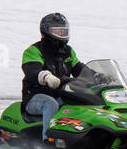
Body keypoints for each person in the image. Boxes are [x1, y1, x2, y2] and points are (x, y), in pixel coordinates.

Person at [22, 13, 86, 141]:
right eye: (58, 31)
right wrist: (46, 76)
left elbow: (80, 69)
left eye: (64, 31)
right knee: (50, 103)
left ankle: (79, 139)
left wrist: (98, 76)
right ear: (46, 31)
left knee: (81, 102)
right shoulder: (34, 50)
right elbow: (32, 70)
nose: (62, 34)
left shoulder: (68, 51)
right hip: (34, 97)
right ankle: (49, 141)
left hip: (60, 95)